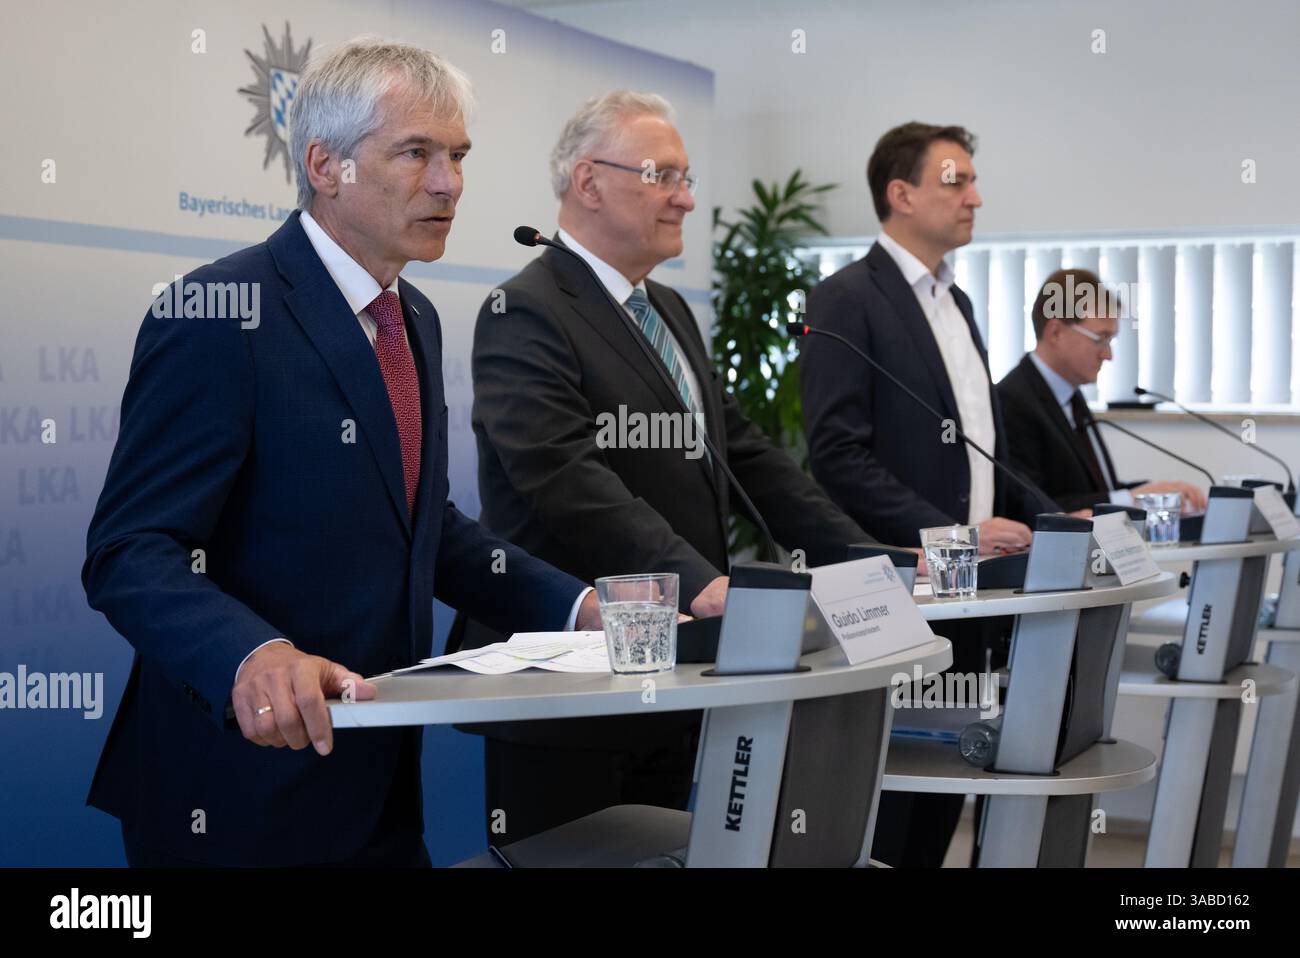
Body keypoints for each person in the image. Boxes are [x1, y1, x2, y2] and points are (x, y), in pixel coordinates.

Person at [81, 38, 597, 867]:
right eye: (416, 153)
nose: (449, 182)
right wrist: (255, 653)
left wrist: (582, 611)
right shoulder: (220, 312)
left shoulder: (414, 317)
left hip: (377, 779)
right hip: (236, 793)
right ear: (326, 165)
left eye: (458, 155)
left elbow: (421, 524)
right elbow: (130, 552)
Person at [460, 91, 876, 844]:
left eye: (687, 179)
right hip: (572, 689)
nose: (687, 198)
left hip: (680, 668)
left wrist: (868, 563)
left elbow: (745, 453)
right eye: (665, 176)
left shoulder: (671, 311)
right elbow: (566, 480)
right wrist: (703, 583)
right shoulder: (522, 311)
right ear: (588, 183)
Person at [800, 121, 1058, 867]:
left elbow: (985, 453)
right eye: (956, 180)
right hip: (901, 585)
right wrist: (948, 537)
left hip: (974, 589)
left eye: (974, 180)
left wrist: (1054, 518)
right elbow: (837, 455)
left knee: (951, 784)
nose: (974, 196)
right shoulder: (847, 297)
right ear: (900, 193)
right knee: (894, 802)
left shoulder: (960, 304)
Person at [997, 268, 1207, 515]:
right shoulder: (1012, 401)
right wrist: (1129, 498)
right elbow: (1031, 507)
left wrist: (1151, 494)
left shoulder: (1070, 397)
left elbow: (1096, 489)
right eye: (1100, 339)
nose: (1108, 355)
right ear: (1056, 332)